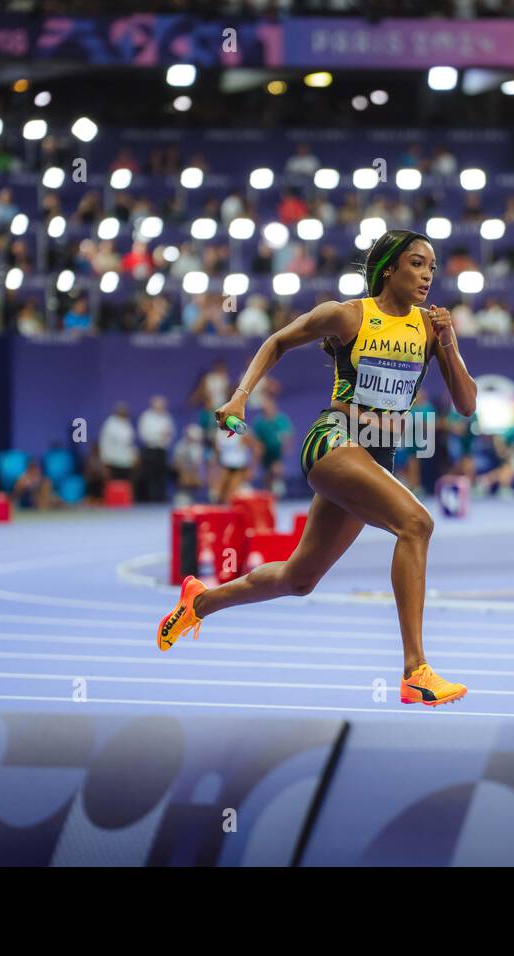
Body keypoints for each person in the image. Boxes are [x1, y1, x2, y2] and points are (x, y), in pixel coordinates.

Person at [156, 229, 476, 706]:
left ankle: (198, 602)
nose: (428, 274)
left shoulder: (430, 328)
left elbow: (467, 405)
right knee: (416, 524)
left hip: (377, 455)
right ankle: (416, 671)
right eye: (416, 263)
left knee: (298, 579)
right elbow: (277, 342)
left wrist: (448, 342)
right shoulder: (346, 315)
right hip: (335, 438)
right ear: (388, 268)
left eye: (432, 266)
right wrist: (240, 397)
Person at [137, 396, 175, 503]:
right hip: (150, 450)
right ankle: (150, 499)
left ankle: (160, 498)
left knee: (161, 475)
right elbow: (144, 434)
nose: (161, 406)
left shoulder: (167, 417)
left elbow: (170, 433)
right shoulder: (146, 417)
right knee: (149, 475)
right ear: (153, 404)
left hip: (162, 450)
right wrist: (159, 435)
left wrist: (163, 438)